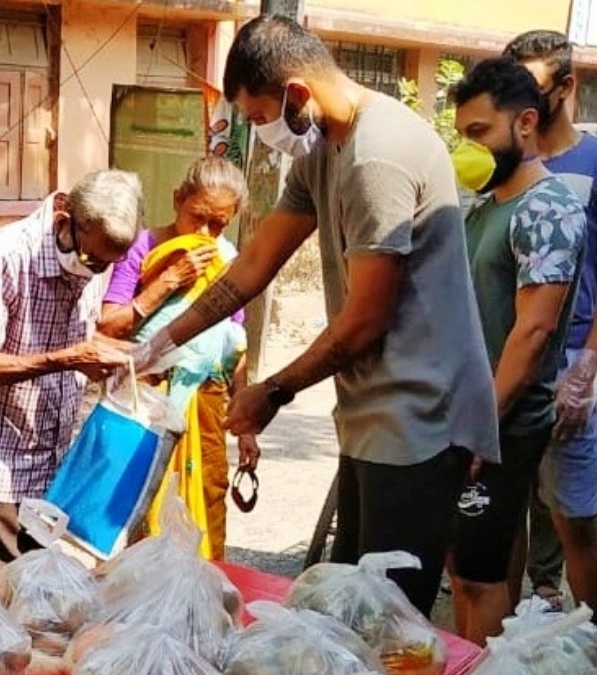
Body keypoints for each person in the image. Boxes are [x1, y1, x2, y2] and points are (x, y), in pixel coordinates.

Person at [132, 14, 500, 617]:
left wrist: (271, 391)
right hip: (375, 412)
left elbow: (365, 320)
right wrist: (158, 342)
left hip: (422, 417)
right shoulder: (322, 149)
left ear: (296, 95)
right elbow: (251, 267)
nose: (261, 132)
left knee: (386, 621)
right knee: (348, 606)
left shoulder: (376, 158)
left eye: (259, 118)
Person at [0, 169, 143, 586]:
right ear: (64, 218)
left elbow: (79, 348)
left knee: (38, 605)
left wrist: (111, 362)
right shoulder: (7, 256)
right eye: (92, 259)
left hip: (50, 468)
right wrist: (68, 358)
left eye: (109, 264)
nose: (95, 271)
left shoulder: (91, 257)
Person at [504, 30, 597, 625]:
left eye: (531, 86)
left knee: (573, 517)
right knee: (500, 513)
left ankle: (594, 646)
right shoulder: (501, 159)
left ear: (567, 86)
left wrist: (585, 368)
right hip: (505, 352)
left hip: (565, 362)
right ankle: (499, 642)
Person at [447, 57, 586, 644]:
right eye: (463, 135)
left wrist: (483, 425)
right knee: (463, 572)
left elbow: (532, 331)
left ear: (525, 123)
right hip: (469, 418)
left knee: (480, 576)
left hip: (504, 423)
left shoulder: (548, 208)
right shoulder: (486, 206)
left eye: (480, 132)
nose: (469, 147)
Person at [97, 157, 260, 561]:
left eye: (218, 224)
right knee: (139, 506)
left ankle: (198, 607)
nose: (205, 233)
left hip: (206, 403)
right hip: (148, 401)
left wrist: (246, 425)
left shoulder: (229, 260)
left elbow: (234, 342)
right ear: (177, 200)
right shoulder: (144, 247)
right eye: (197, 217)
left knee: (205, 502)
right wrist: (171, 278)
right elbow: (109, 325)